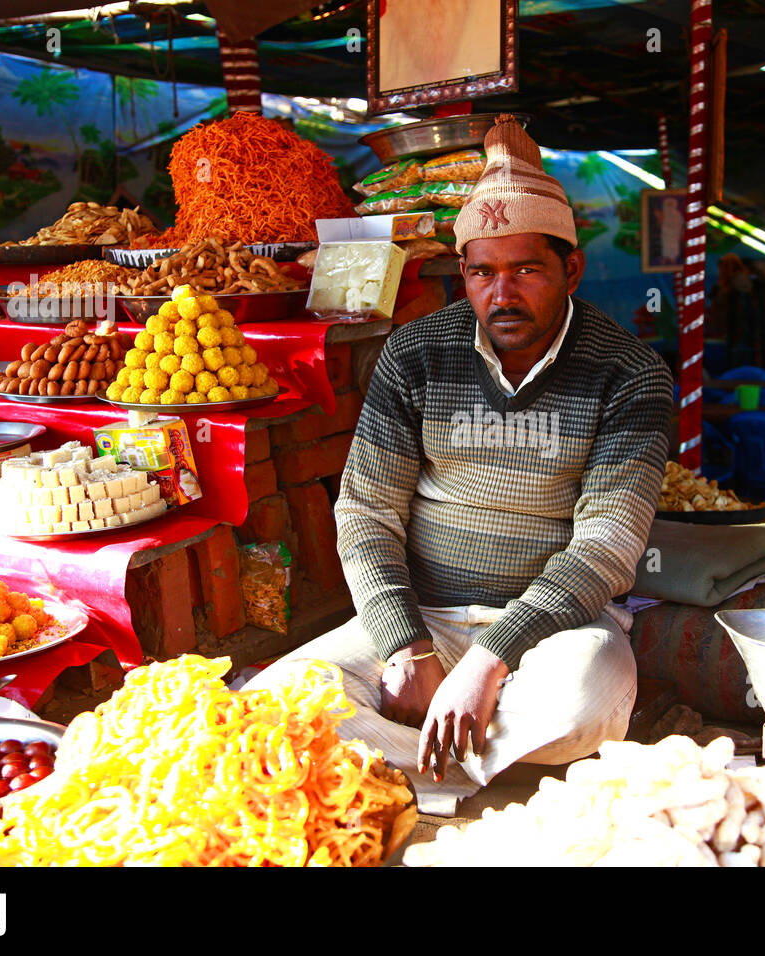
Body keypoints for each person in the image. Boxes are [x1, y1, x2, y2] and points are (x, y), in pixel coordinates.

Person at [246, 115, 674, 813]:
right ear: (464, 273)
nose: (500, 294)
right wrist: (405, 644)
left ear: (573, 268)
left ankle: (394, 774)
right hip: (427, 616)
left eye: (526, 270)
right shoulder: (417, 352)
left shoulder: (630, 374)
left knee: (586, 698)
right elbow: (365, 511)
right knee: (272, 704)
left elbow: (608, 546)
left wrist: (488, 658)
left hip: (553, 632)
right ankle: (456, 771)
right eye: (482, 272)